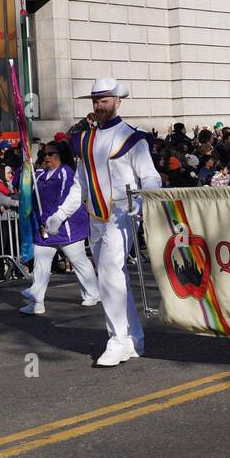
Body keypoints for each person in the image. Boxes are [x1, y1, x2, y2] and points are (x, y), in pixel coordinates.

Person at [69, 78, 161, 367]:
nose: (99, 105)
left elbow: (150, 176)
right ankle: (134, 338)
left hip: (122, 216)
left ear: (118, 102)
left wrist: (144, 200)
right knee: (114, 277)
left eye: (105, 100)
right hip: (96, 218)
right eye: (96, 100)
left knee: (109, 275)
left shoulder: (133, 137)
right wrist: (60, 214)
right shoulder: (84, 139)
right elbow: (79, 184)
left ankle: (117, 339)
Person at [22, 142, 100, 316]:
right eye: (44, 154)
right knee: (41, 265)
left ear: (61, 154)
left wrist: (53, 219)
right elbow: (25, 189)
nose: (47, 157)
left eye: (51, 154)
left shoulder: (67, 173)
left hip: (67, 227)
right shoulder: (40, 174)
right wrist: (26, 165)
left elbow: (65, 200)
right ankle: (37, 302)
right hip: (44, 228)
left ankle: (93, 293)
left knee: (78, 260)